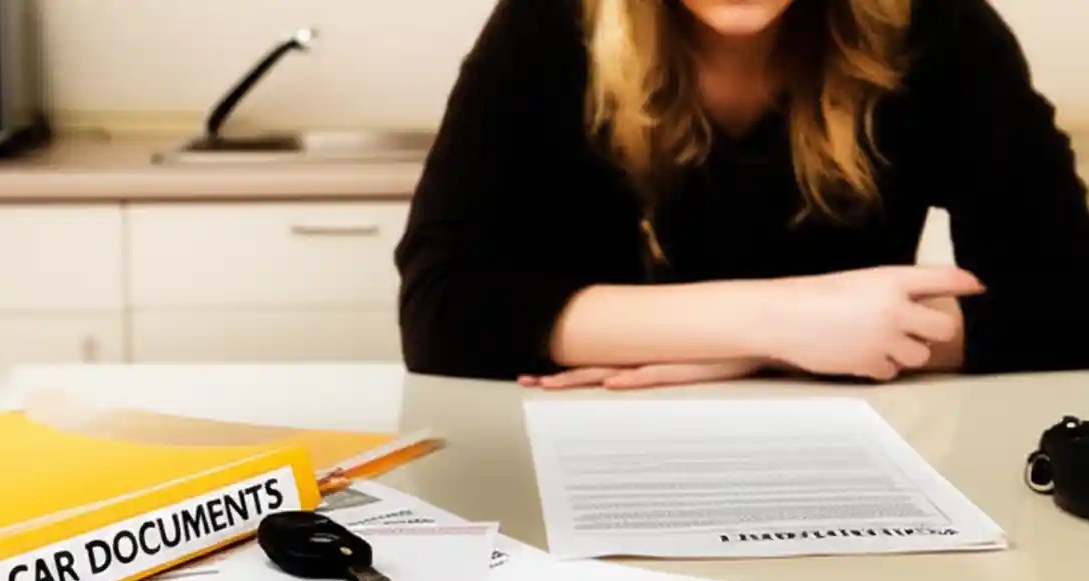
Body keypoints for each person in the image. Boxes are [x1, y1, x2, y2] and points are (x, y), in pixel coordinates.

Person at [394, 0, 1089, 389]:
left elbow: (1067, 299)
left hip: (858, 458)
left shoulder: (940, 28)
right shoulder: (546, 26)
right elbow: (442, 311)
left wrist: (765, 346)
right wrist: (782, 323)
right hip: (587, 450)